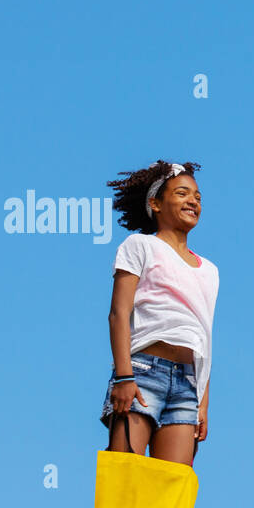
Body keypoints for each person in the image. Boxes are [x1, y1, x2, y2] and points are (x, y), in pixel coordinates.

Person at [99, 160, 218, 466]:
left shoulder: (210, 270)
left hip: (187, 384)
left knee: (171, 487)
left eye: (198, 197)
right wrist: (124, 377)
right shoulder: (139, 246)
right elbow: (119, 313)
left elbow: (204, 337)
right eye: (182, 193)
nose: (193, 201)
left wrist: (202, 401)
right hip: (142, 372)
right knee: (126, 475)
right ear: (155, 203)